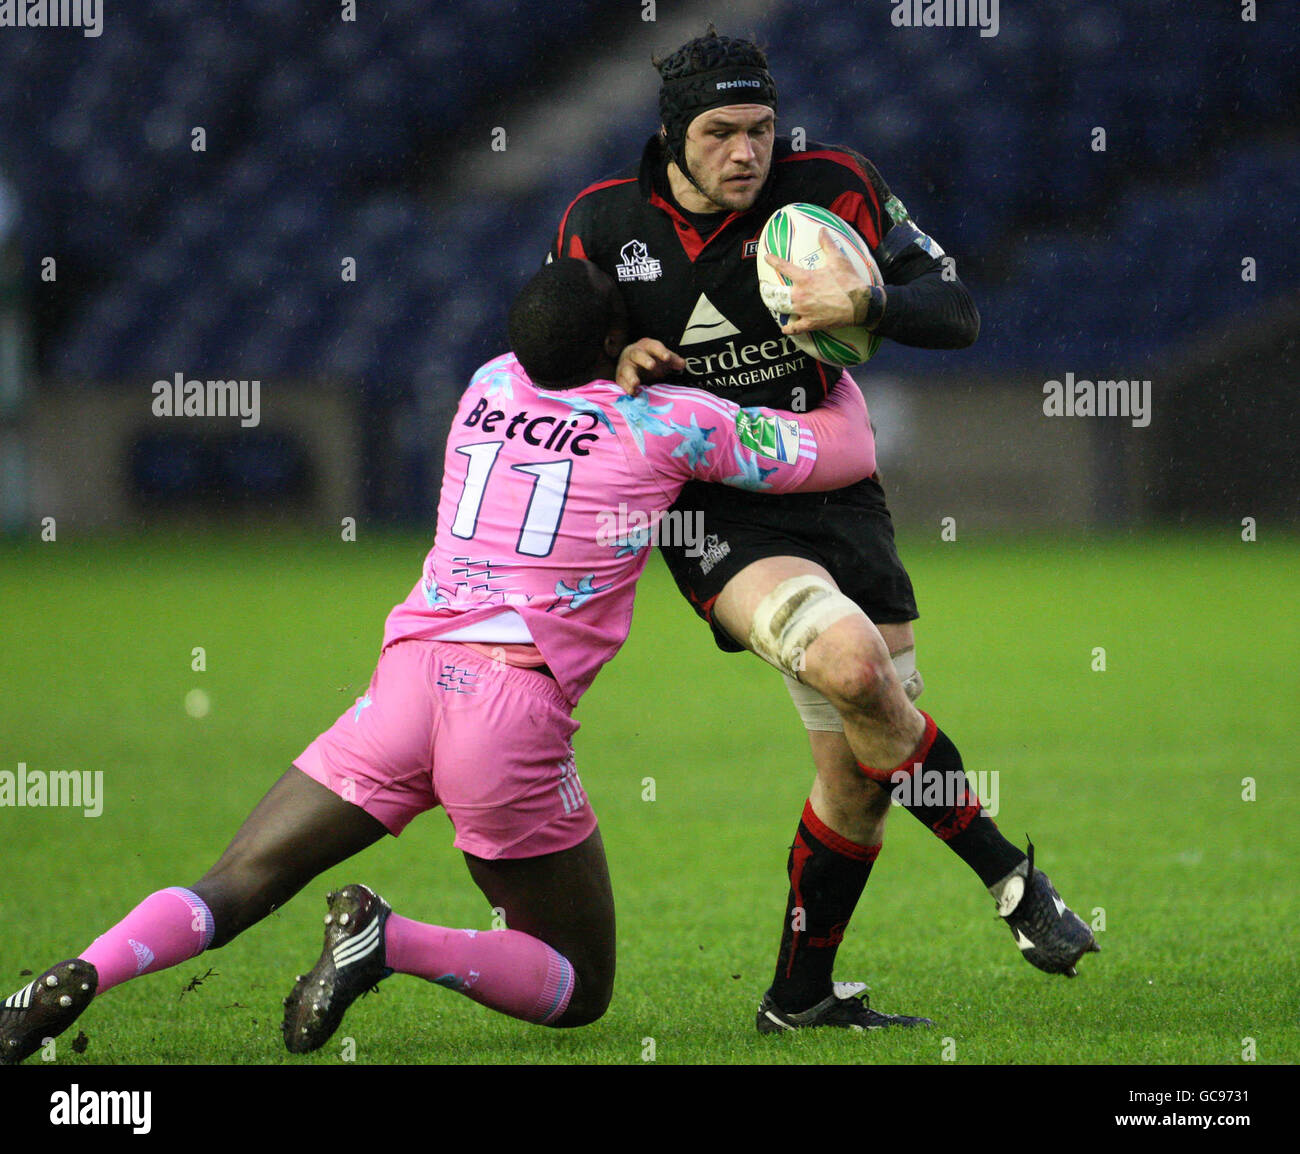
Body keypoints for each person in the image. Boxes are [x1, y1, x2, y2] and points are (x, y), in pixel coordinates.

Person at [0, 257, 884, 1066]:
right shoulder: (667, 426)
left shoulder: (484, 382)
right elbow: (842, 453)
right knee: (579, 987)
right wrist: (830, 360)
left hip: (406, 682)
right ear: (618, 343)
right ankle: (390, 942)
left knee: (236, 882)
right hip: (509, 708)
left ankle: (79, 972)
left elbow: (550, 360)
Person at [550, 27, 1098, 1033]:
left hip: (838, 489)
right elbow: (556, 362)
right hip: (712, 510)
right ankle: (1014, 881)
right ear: (672, 133)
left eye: (759, 129)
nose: (746, 153)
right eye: (719, 133)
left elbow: (956, 309)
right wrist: (612, 356)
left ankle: (799, 997)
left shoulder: (832, 184)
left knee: (859, 773)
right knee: (851, 671)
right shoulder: (600, 220)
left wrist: (872, 299)